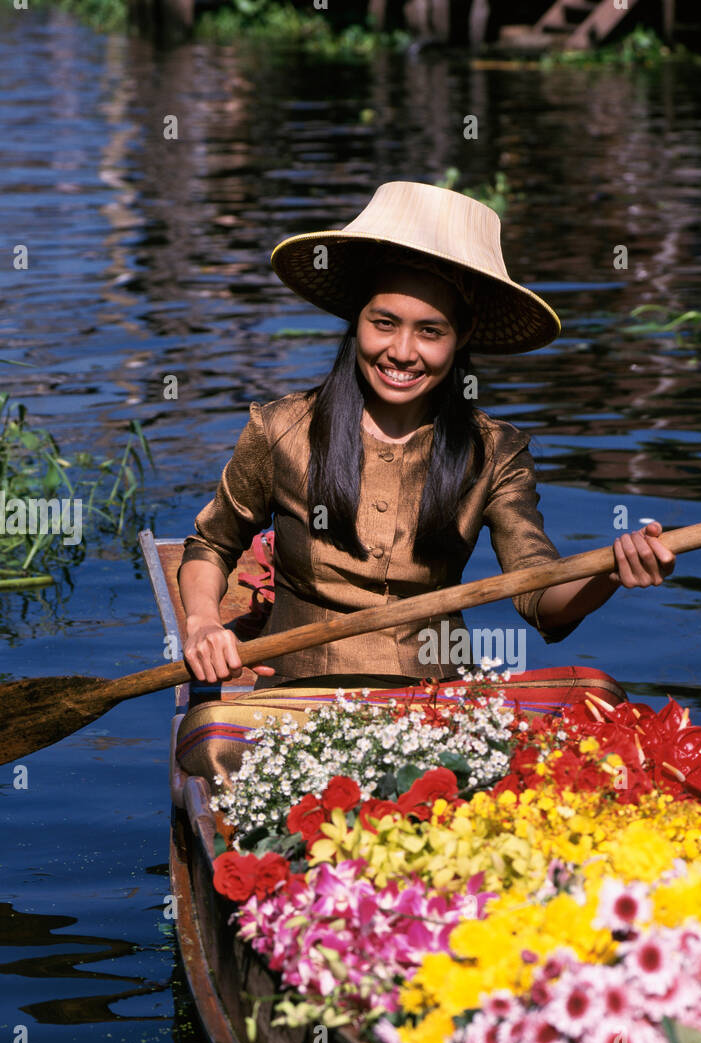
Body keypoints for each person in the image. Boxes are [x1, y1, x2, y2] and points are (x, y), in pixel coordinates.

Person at [178, 181, 674, 691]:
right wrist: (202, 622)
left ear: (461, 339)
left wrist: (609, 573)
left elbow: (538, 595)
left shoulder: (494, 453)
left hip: (436, 703)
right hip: (295, 698)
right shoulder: (282, 428)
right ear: (357, 320)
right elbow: (211, 545)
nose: (402, 351)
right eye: (385, 323)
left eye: (431, 332)